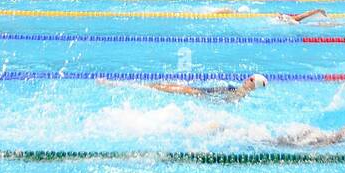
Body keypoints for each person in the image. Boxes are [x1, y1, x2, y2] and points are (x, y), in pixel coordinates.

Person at [108, 74, 268, 101]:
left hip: (200, 93)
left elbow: (224, 101)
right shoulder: (239, 93)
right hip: (201, 92)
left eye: (251, 79)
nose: (247, 78)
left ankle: (121, 84)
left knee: (164, 88)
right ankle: (130, 84)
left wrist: (204, 97)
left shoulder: (239, 94)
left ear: (253, 85)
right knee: (166, 86)